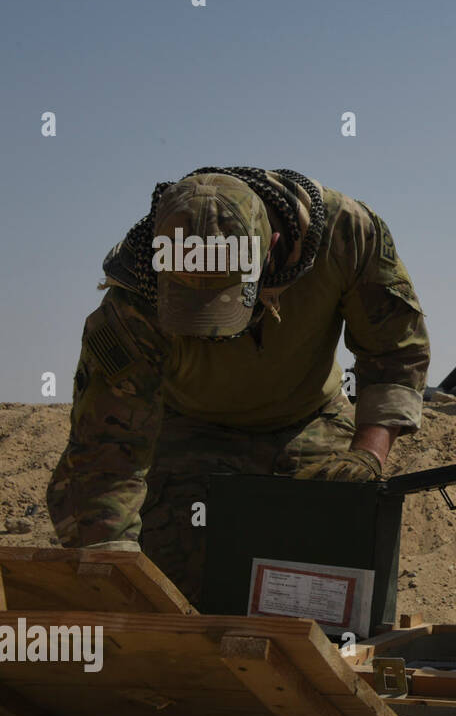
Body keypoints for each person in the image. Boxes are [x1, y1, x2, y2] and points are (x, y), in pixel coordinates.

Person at [47, 167, 430, 602]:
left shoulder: (348, 235)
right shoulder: (132, 303)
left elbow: (395, 353)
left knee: (332, 579)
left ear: (270, 248)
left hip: (308, 419)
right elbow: (107, 455)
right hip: (186, 427)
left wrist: (367, 458)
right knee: (174, 581)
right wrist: (114, 570)